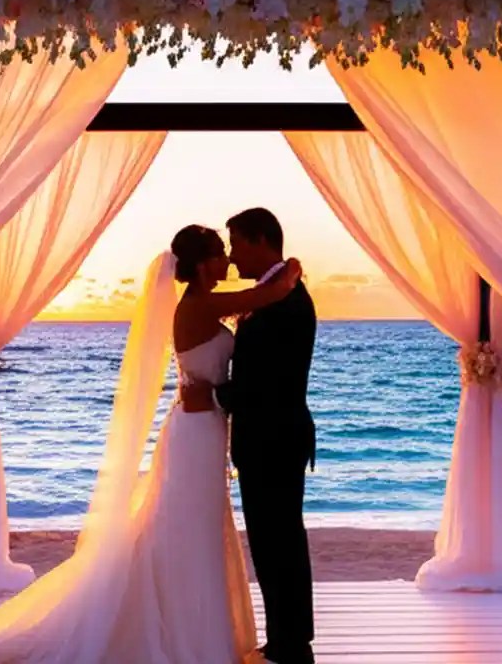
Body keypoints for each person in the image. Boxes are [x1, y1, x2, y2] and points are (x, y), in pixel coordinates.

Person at [0, 224, 302, 664]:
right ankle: (189, 636)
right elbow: (266, 297)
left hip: (205, 425)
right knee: (188, 527)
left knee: (200, 526)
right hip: (195, 432)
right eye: (218, 254)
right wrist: (290, 269)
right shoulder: (199, 305)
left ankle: (199, 628)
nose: (227, 261)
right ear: (198, 264)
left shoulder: (206, 305)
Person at [182, 208, 318, 664]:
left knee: (279, 541)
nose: (234, 256)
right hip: (269, 439)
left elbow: (267, 380)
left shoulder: (285, 299)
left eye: (237, 243)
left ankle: (290, 643)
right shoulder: (274, 292)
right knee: (274, 540)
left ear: (261, 240)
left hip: (274, 439)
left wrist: (216, 395)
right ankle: (284, 638)